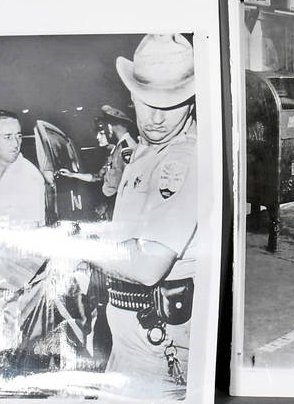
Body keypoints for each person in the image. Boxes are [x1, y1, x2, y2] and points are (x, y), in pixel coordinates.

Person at [83, 35, 199, 398]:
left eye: (173, 105)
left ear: (192, 101)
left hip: (158, 342)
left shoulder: (185, 159)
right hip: (133, 338)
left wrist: (84, 247)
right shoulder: (145, 148)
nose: (158, 118)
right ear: (131, 95)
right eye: (148, 103)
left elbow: (148, 266)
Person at [57, 104, 138, 216]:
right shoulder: (114, 150)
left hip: (124, 210)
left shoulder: (126, 149)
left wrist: (109, 205)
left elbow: (131, 188)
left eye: (101, 133)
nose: (97, 137)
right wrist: (72, 175)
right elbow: (98, 177)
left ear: (109, 128)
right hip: (113, 207)